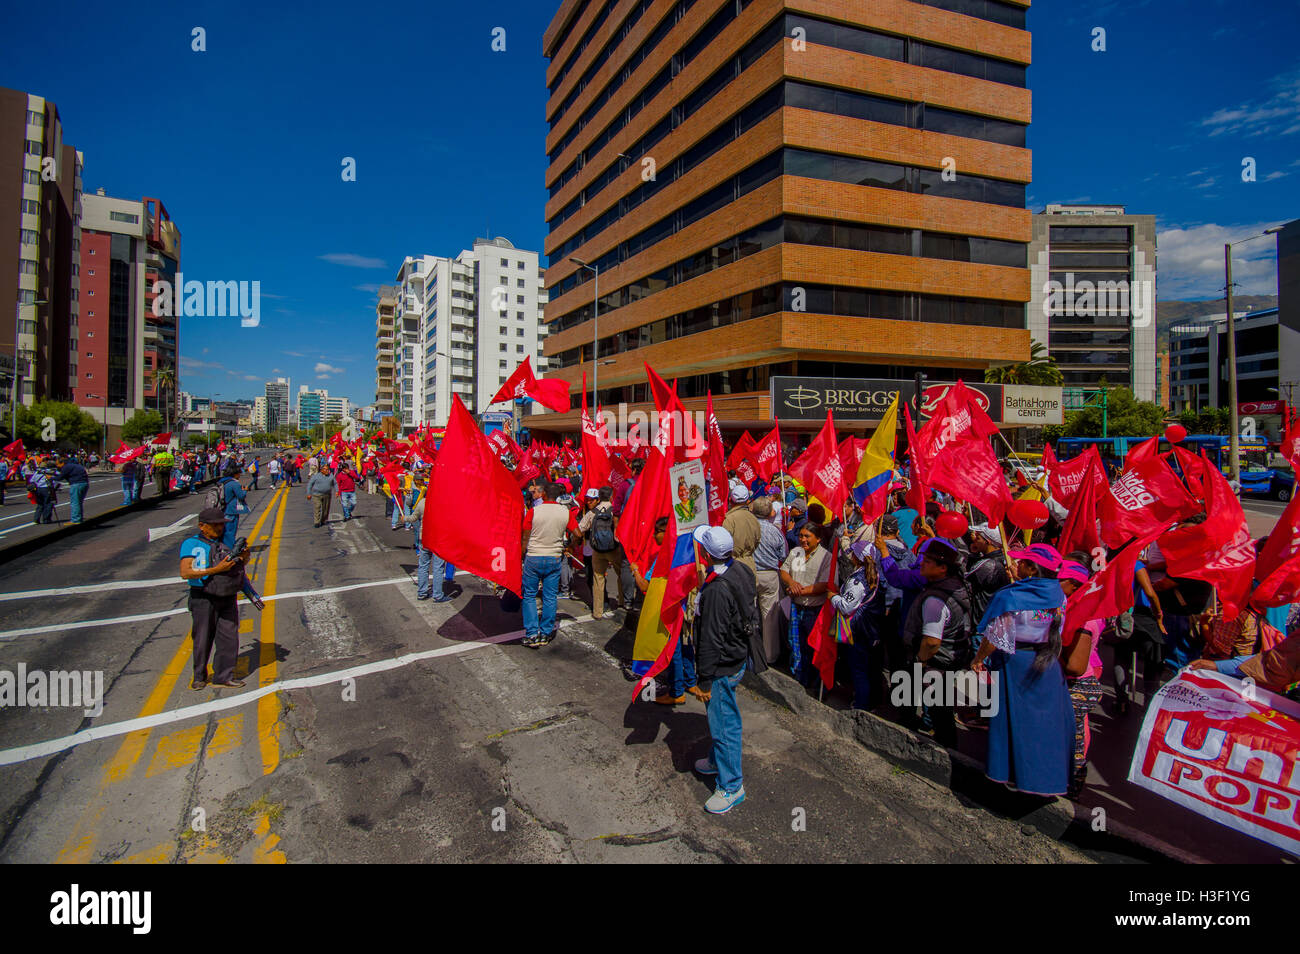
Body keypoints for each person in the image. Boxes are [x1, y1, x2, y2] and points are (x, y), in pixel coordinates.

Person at [972, 543, 1074, 795]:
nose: (1015, 565)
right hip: (1047, 663)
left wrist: (978, 659)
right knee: (1044, 726)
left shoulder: (1011, 596)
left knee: (1013, 721)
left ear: (1031, 568)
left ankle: (1010, 776)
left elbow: (995, 636)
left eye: (1022, 562)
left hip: (1015, 662)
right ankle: (1048, 781)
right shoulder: (1059, 595)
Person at [692, 524, 759, 814]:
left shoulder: (718, 589)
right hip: (735, 655)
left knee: (724, 725)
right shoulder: (739, 569)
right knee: (721, 719)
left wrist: (704, 679)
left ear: (707, 553)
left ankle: (732, 786)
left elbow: (711, 637)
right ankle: (717, 760)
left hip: (722, 664)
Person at [179, 506, 264, 690]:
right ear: (202, 526)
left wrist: (244, 557)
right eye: (215, 525)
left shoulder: (225, 543)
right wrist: (215, 571)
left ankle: (224, 675)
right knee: (202, 637)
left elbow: (234, 566)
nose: (220, 528)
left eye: (221, 525)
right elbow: (185, 572)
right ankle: (199, 675)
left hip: (226, 593)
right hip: (203, 596)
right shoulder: (191, 544)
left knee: (229, 636)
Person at [899, 539, 972, 746]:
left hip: (933, 662)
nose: (922, 563)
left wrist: (920, 661)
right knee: (941, 711)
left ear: (943, 568)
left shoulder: (935, 600)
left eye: (928, 561)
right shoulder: (956, 587)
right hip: (947, 660)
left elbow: (932, 641)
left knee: (937, 713)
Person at [1057, 559, 1104, 796]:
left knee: (1073, 739)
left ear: (1075, 585)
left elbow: (1075, 667)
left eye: (1060, 580)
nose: (1055, 584)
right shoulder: (1073, 609)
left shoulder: (1084, 619)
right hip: (1075, 682)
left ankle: (1073, 784)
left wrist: (1051, 649)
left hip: (1077, 684)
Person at [831, 538, 886, 710]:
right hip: (870, 628)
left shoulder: (858, 581)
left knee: (859, 669)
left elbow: (847, 606)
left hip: (858, 629)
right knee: (867, 668)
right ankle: (870, 700)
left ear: (857, 557)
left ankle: (861, 705)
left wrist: (832, 597)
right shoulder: (875, 574)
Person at [520, 481, 577, 647]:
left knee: (530, 595)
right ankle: (545, 633)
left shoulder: (534, 511)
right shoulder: (565, 512)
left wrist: (521, 555)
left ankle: (531, 634)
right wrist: (571, 547)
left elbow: (525, 537)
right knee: (550, 596)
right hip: (554, 557)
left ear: (544, 494)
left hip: (534, 556)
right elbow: (578, 533)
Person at [779, 522, 831, 685]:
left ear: (818, 539)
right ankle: (799, 675)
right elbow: (784, 571)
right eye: (801, 536)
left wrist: (799, 591)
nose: (803, 539)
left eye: (807, 536)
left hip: (814, 609)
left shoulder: (826, 557)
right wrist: (791, 583)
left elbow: (825, 585)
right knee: (796, 643)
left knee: (812, 646)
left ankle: (812, 680)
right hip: (796, 606)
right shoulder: (796, 552)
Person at [749, 496, 788, 665]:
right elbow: (783, 554)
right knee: (769, 616)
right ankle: (769, 654)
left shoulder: (749, 528)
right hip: (769, 575)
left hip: (751, 573)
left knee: (749, 612)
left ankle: (748, 650)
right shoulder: (775, 531)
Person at [578, 485, 623, 619]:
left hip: (597, 550)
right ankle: (621, 602)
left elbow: (580, 528)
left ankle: (597, 611)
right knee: (620, 574)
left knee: (598, 578)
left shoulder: (592, 512)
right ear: (610, 497)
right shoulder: (614, 510)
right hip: (613, 548)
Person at [404, 475, 450, 602]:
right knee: (438, 568)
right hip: (438, 540)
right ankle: (437, 594)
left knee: (423, 566)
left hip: (424, 538)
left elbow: (413, 518)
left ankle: (422, 592)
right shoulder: (444, 505)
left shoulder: (422, 503)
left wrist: (405, 519)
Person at [721, 483, 761, 576]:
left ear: (730, 500)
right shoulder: (753, 519)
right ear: (748, 501)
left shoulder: (729, 519)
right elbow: (757, 541)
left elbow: (724, 545)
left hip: (733, 567)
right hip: (750, 565)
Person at [56, 454, 90, 524]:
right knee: (79, 502)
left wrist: (51, 477)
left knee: (75, 503)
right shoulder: (75, 465)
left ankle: (75, 520)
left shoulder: (66, 467)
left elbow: (60, 477)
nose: (57, 466)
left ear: (62, 463)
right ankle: (79, 518)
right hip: (84, 484)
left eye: (58, 464)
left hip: (76, 484)